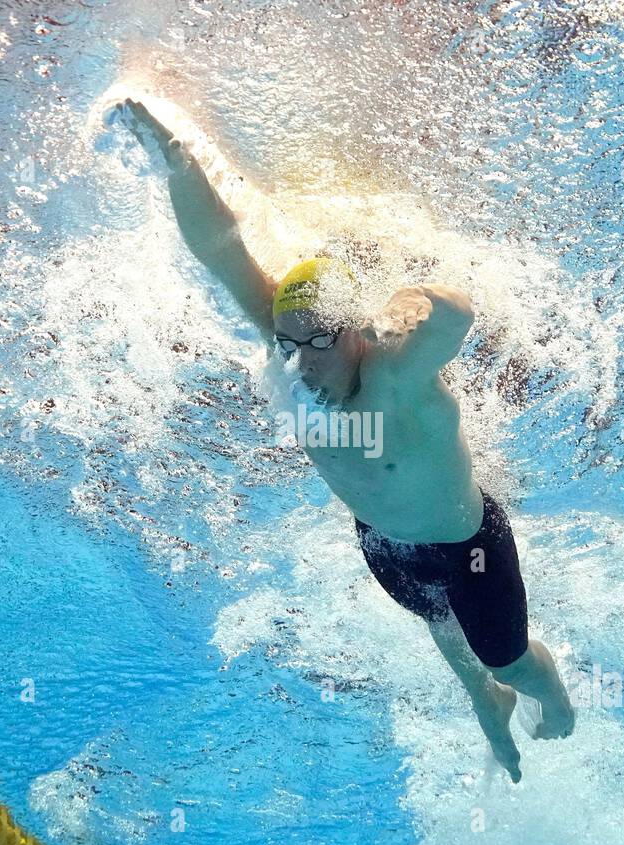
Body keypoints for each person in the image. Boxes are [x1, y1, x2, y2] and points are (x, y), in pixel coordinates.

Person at [112, 94, 574, 782]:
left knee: (503, 654)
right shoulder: (293, 347)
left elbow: (455, 315)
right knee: (443, 633)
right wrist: (170, 151)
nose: (301, 359)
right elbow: (220, 246)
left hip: (466, 547)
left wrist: (400, 307)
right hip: (382, 542)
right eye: (288, 340)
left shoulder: (394, 375)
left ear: (356, 331)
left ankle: (546, 691)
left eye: (321, 340)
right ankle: (486, 704)